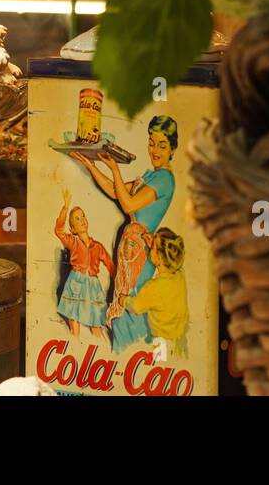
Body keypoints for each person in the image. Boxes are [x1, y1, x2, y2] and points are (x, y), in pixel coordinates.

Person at [70, 115, 178, 351]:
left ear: (172, 148)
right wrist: (91, 166)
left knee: (129, 308)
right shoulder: (151, 175)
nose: (155, 150)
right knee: (121, 302)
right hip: (131, 247)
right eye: (151, 142)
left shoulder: (165, 180)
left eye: (162, 144)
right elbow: (114, 190)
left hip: (140, 252)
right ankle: (122, 352)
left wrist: (115, 168)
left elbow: (128, 205)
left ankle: (126, 353)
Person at [53, 188, 114, 343]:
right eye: (77, 219)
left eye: (83, 216)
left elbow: (111, 266)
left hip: (93, 286)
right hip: (76, 283)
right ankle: (75, 350)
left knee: (96, 324)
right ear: (72, 229)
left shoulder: (98, 246)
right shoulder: (73, 242)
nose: (82, 220)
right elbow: (58, 230)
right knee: (74, 323)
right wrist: (66, 207)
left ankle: (99, 353)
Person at [125, 227, 189, 358]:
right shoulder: (179, 275)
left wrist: (123, 300)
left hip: (162, 343)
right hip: (180, 339)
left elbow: (135, 306)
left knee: (160, 370)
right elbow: (164, 266)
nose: (151, 247)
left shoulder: (152, 288)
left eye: (153, 247)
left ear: (159, 257)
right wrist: (153, 246)